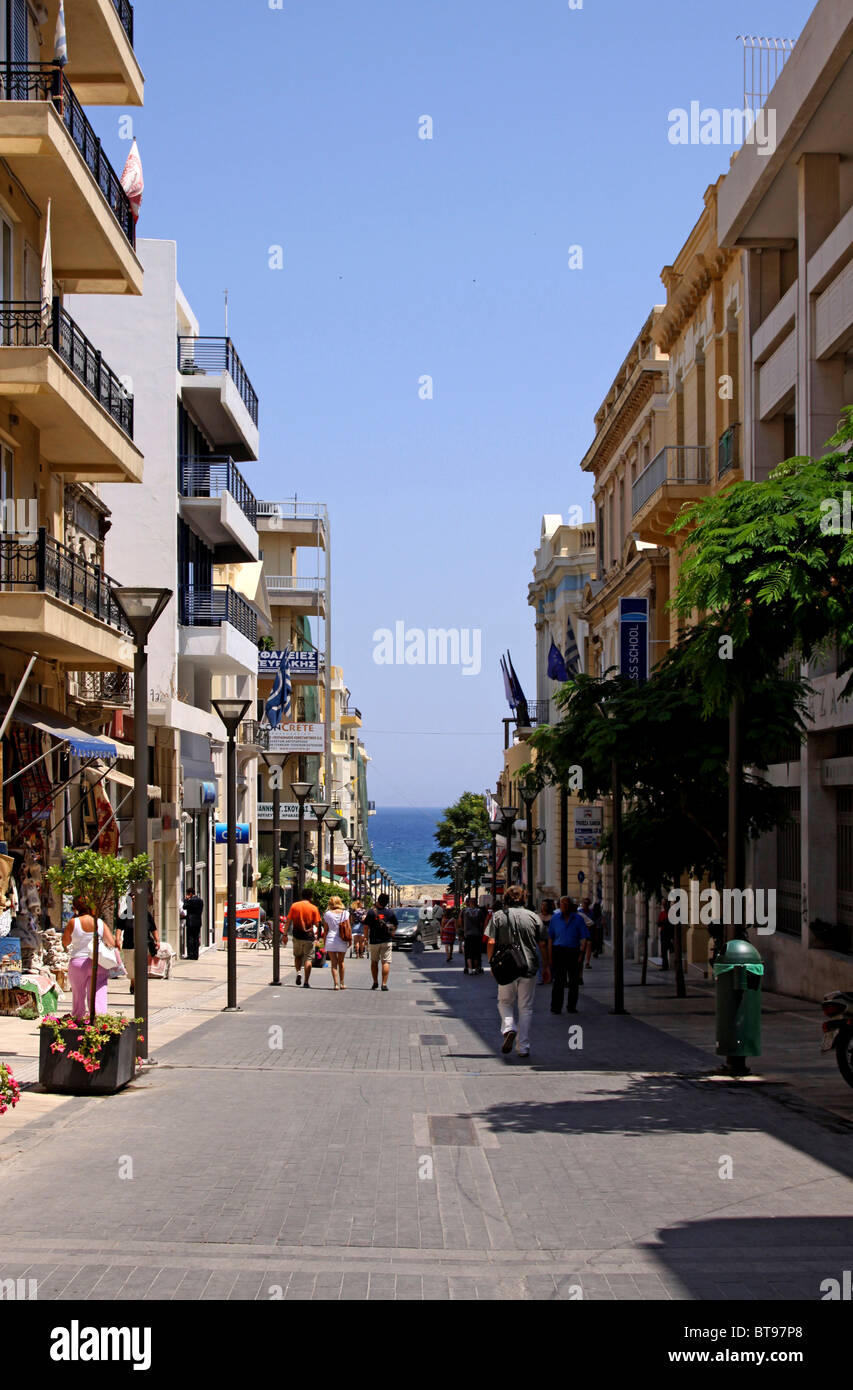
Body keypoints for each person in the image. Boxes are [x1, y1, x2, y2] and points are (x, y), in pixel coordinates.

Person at [485, 884, 541, 1058]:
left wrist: (492, 963)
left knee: (504, 1002)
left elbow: (491, 942)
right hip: (529, 966)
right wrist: (546, 966)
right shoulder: (533, 917)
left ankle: (509, 1027)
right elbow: (544, 942)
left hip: (507, 966)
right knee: (526, 1007)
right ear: (524, 898)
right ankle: (523, 1046)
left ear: (506, 899)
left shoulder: (498, 917)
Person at [62, 897, 117, 1018]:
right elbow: (112, 943)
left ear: (75, 908)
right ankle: (99, 1018)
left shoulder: (73, 922)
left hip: (78, 962)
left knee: (78, 993)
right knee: (99, 991)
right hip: (98, 962)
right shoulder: (99, 922)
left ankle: (78, 1018)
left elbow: (65, 942)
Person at [549, 896, 591, 1014]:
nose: (565, 906)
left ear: (571, 906)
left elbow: (584, 938)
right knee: (559, 981)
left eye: (568, 904)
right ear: (559, 905)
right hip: (559, 951)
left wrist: (581, 953)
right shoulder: (555, 919)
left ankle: (571, 1006)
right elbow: (551, 938)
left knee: (573, 981)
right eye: (563, 904)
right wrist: (550, 956)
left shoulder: (578, 919)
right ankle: (556, 1007)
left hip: (573, 951)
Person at [284, 885, 322, 986]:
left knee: (297, 956)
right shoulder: (314, 908)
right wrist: (319, 937)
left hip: (296, 936)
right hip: (308, 937)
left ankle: (298, 972)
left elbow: (288, 921)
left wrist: (284, 934)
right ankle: (306, 981)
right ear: (311, 897)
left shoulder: (294, 906)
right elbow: (318, 925)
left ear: (302, 896)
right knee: (308, 959)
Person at [365, 892, 397, 991]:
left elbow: (366, 926)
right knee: (385, 962)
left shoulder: (371, 912)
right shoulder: (390, 913)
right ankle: (384, 984)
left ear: (378, 900)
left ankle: (375, 982)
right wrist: (392, 933)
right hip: (386, 940)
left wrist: (365, 937)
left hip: (374, 940)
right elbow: (395, 925)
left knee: (374, 962)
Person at [323, 895, 352, 989]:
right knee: (341, 962)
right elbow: (348, 927)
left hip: (331, 939)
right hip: (342, 939)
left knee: (333, 963)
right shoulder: (345, 913)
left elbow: (326, 930)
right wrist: (350, 940)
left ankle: (335, 984)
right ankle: (342, 983)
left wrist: (324, 941)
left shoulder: (327, 914)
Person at [462, 896, 486, 974]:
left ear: (469, 903)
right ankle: (476, 968)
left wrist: (463, 930)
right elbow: (482, 923)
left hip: (467, 934)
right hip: (477, 934)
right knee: (476, 952)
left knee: (468, 952)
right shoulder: (479, 911)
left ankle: (469, 968)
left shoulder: (464, 911)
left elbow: (459, 921)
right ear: (476, 903)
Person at [182, 885, 204, 960]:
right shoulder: (200, 900)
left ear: (190, 894)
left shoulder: (190, 901)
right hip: (198, 922)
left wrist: (186, 900)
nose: (187, 895)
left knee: (190, 938)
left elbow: (184, 907)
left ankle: (190, 955)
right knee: (196, 938)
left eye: (188, 894)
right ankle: (196, 955)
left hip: (191, 922)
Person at [538, 898, 555, 984]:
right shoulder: (538, 916)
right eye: (542, 905)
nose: (543, 907)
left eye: (545, 905)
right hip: (540, 942)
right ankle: (542, 977)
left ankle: (550, 976)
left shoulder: (553, 917)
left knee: (550, 959)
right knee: (541, 960)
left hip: (551, 941)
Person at [658, 901, 674, 970]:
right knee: (663, 951)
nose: (664, 906)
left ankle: (672, 964)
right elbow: (658, 923)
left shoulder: (671, 914)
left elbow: (672, 925)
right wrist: (663, 922)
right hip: (663, 933)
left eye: (666, 905)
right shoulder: (662, 913)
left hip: (669, 934)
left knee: (671, 950)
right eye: (664, 905)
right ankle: (665, 966)